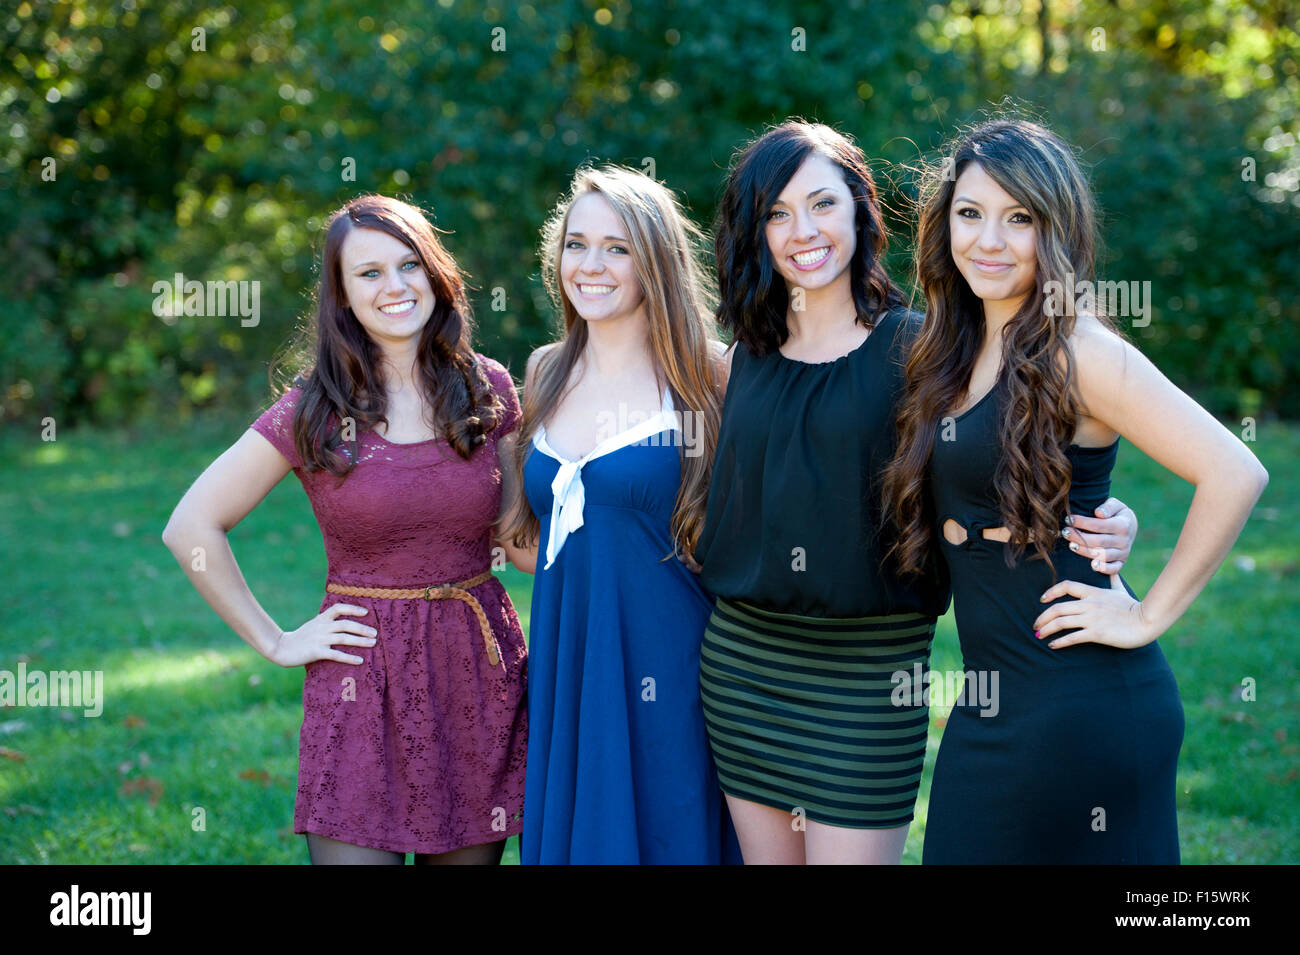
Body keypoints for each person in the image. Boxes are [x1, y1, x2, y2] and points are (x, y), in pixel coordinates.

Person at [693, 120, 1140, 865]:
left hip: (871, 674)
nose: (803, 230)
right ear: (755, 231)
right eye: (776, 212)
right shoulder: (740, 358)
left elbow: (1008, 459)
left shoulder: (923, 350)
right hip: (744, 669)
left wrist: (1097, 516)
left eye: (823, 204)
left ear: (862, 212)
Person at [883, 119, 1269, 863]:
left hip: (1083, 699)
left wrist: (1147, 613)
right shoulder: (945, 348)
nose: (989, 240)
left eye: (1018, 218)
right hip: (994, 700)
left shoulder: (1079, 350)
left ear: (1053, 230)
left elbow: (1236, 470)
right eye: (970, 213)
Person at [163, 194, 527, 864]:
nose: (395, 286)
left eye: (408, 265)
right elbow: (191, 524)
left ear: (435, 274)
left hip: (473, 671)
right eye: (369, 274)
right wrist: (275, 640)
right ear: (341, 297)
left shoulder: (487, 388)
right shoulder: (314, 408)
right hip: (361, 675)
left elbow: (521, 545)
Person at [498, 164, 739, 863]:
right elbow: (526, 542)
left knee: (671, 831)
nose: (590, 265)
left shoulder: (709, 373)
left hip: (677, 661)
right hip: (569, 660)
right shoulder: (545, 371)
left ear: (654, 260)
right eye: (576, 244)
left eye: (617, 247)